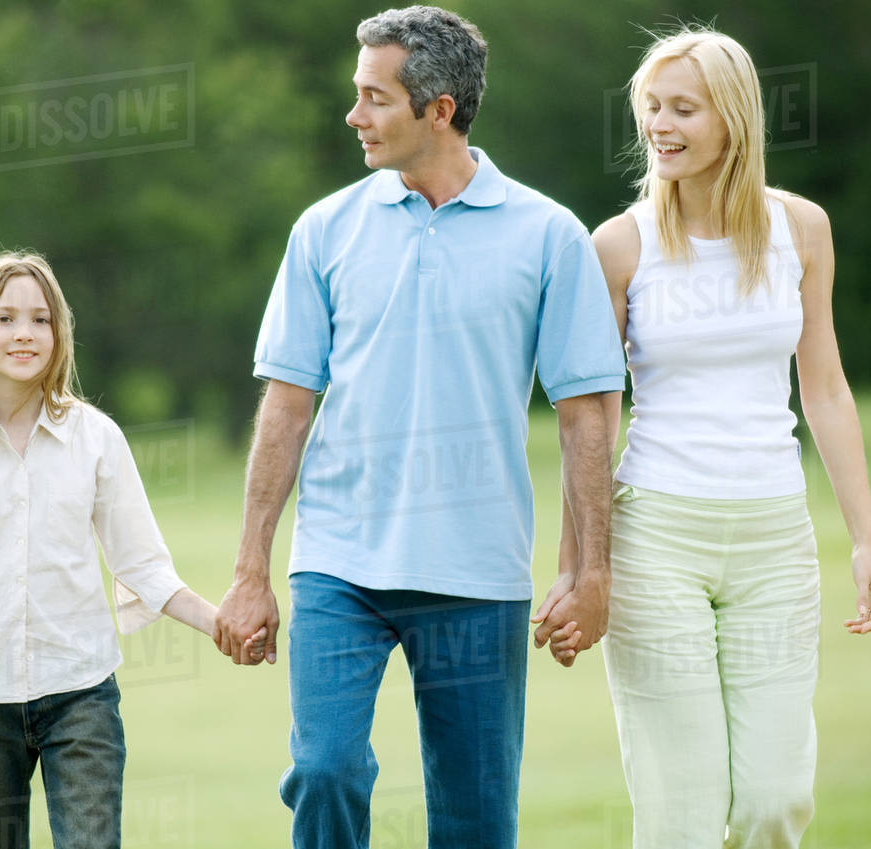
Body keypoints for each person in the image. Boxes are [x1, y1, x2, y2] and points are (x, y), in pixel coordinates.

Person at [211, 6, 625, 848]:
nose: (354, 115)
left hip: (478, 570)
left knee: (476, 818)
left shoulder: (550, 236)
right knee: (324, 769)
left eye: (375, 97)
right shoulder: (323, 230)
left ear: (439, 109)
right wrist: (251, 568)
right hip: (340, 563)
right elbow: (287, 404)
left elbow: (585, 416)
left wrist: (592, 572)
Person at [550, 27, 871, 849]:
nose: (659, 126)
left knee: (774, 801)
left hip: (775, 538)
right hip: (658, 536)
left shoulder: (802, 229)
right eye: (651, 108)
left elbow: (826, 388)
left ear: (733, 119)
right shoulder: (619, 245)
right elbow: (593, 419)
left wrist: (864, 538)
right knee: (683, 814)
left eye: (682, 109)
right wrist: (578, 567)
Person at [0, 250, 264, 849]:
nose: (24, 333)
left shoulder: (97, 438)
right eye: (5, 319)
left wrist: (221, 624)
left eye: (40, 319)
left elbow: (144, 567)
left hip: (81, 697)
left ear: (59, 335)